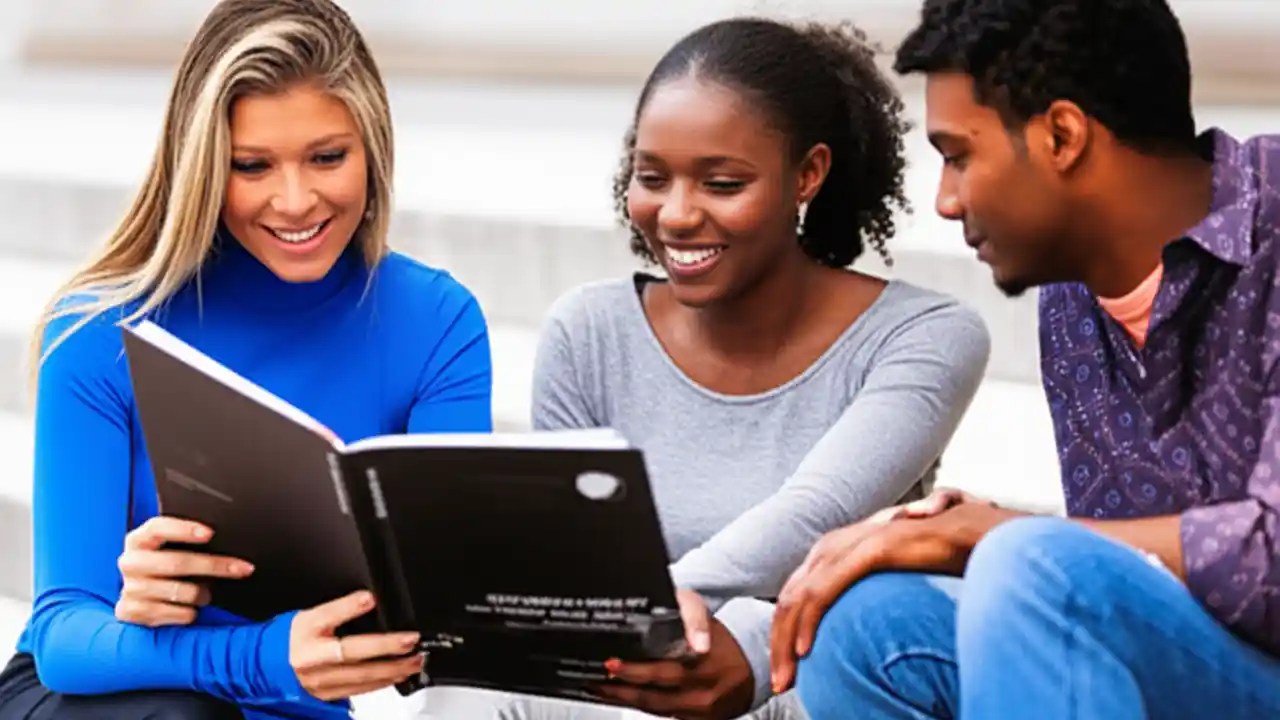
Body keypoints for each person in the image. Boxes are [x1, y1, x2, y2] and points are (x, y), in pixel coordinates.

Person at [769, 1, 1280, 719]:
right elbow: (1112, 577)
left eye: (958, 156)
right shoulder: (1070, 295)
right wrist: (974, 532)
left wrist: (996, 536)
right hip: (1193, 668)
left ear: (1063, 135)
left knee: (1028, 564)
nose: (945, 201)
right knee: (863, 626)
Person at [0, 1, 492, 718]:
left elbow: (449, 608)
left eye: (327, 157)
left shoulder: (437, 324)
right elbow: (63, 637)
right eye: (250, 166)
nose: (295, 201)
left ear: (373, 149)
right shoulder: (99, 332)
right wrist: (241, 647)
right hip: (107, 695)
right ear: (201, 167)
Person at [515, 17, 990, 720]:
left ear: (808, 174)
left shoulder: (925, 337)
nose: (675, 215)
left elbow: (818, 512)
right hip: (621, 686)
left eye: (722, 182)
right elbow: (569, 564)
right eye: (652, 177)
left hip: (802, 677)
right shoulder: (587, 332)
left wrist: (656, 618)